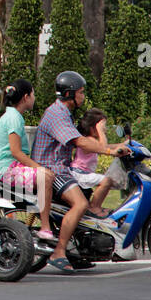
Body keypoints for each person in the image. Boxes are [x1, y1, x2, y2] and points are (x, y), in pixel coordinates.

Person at [31, 71, 131, 274]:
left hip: (62, 167)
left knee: (84, 203)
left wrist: (118, 146)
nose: (83, 96)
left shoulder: (64, 113)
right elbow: (80, 142)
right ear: (70, 94)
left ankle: (76, 252)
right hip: (52, 169)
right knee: (81, 204)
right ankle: (58, 252)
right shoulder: (56, 114)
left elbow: (85, 142)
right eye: (81, 92)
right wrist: (109, 150)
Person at [0, 79, 56, 242]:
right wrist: (39, 168)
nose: (34, 98)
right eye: (33, 94)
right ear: (26, 97)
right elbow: (16, 152)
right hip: (8, 170)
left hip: (12, 168)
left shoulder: (12, 115)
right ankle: (46, 228)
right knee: (45, 177)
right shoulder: (14, 118)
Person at [72, 107, 117, 217]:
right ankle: (94, 207)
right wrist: (100, 131)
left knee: (106, 180)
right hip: (79, 174)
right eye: (103, 127)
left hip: (82, 173)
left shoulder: (90, 141)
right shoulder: (88, 140)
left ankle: (94, 206)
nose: (105, 129)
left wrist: (123, 145)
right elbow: (104, 147)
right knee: (106, 181)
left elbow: (107, 147)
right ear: (93, 128)